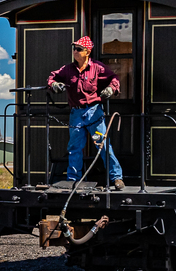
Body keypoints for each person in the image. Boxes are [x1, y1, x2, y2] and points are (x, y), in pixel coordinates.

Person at [48, 36, 124, 190]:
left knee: (103, 146)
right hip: (76, 113)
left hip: (94, 113)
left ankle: (117, 178)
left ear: (87, 52)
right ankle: (73, 180)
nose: (74, 51)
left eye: (78, 49)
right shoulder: (67, 69)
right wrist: (54, 84)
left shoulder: (98, 67)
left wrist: (111, 88)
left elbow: (114, 78)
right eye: (74, 48)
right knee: (74, 148)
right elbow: (52, 77)